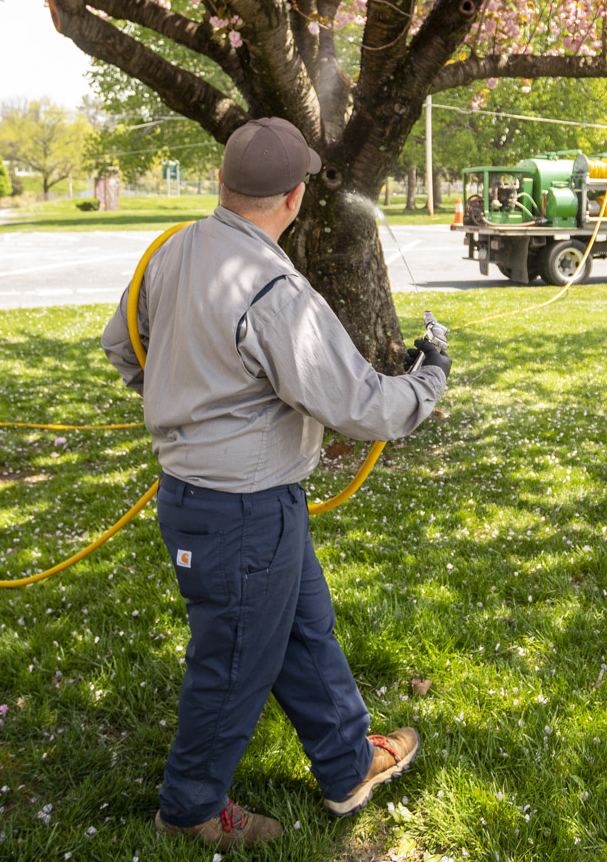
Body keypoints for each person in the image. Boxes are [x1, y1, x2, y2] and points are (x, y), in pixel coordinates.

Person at [101, 117, 453, 849]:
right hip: (238, 513)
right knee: (232, 663)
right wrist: (430, 378)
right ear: (293, 198)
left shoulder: (174, 250)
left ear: (224, 185)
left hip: (238, 503)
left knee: (302, 630)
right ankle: (190, 807)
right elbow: (364, 406)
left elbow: (121, 343)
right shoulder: (274, 289)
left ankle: (348, 764)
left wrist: (182, 393)